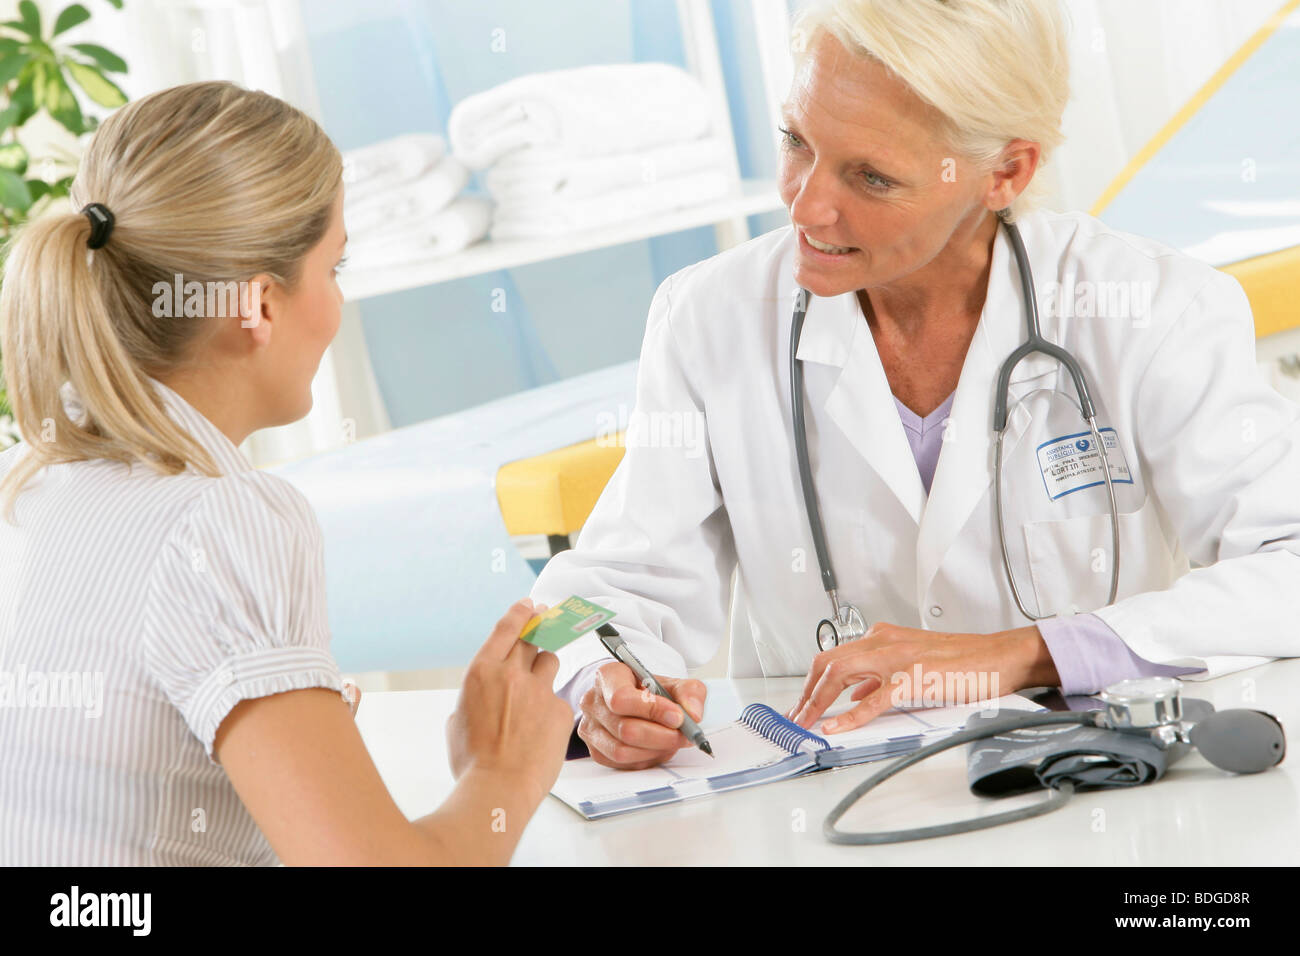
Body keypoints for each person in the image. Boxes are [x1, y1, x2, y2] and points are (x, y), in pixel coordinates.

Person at [531, 0, 1300, 770]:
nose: (805, 204)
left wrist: (1026, 653)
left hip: (1089, 786)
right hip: (815, 806)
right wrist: (601, 678)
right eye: (796, 141)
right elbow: (593, 594)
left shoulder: (1152, 309)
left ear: (1006, 171)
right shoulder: (711, 318)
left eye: (870, 175)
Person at [0, 81, 574, 865]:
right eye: (335, 267)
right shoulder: (222, 521)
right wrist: (502, 769)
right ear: (258, 308)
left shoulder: (33, 479)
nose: (339, 305)